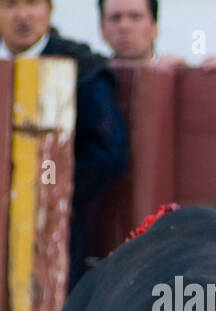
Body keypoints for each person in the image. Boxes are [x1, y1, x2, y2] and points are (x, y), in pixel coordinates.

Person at [0, 0, 128, 290]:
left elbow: (108, 154)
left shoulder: (79, 66)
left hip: (50, 230)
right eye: (10, 5)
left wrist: (47, 189)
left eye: (32, 4)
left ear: (49, 10)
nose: (22, 15)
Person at [98, 0, 216, 70]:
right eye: (115, 18)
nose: (124, 27)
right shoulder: (88, 80)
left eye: (135, 17)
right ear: (102, 30)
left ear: (155, 28)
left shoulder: (175, 70)